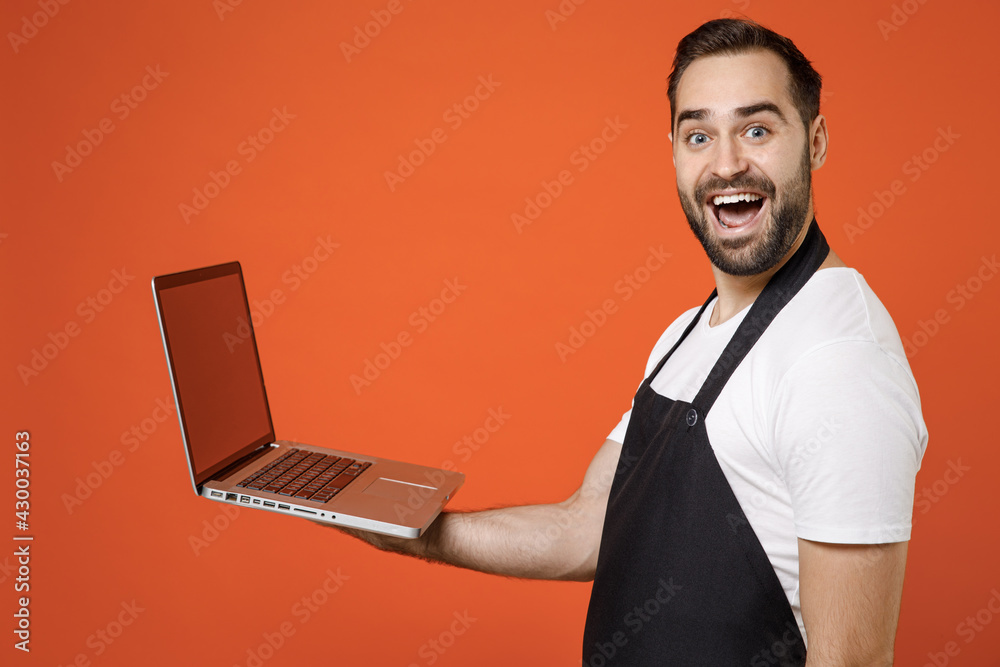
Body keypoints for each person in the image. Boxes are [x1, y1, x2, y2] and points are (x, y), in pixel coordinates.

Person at [327, 17, 928, 666]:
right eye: (700, 134)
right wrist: (414, 531)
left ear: (815, 140)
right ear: (673, 151)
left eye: (757, 129)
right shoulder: (687, 333)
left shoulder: (836, 358)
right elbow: (588, 529)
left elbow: (852, 661)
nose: (726, 164)